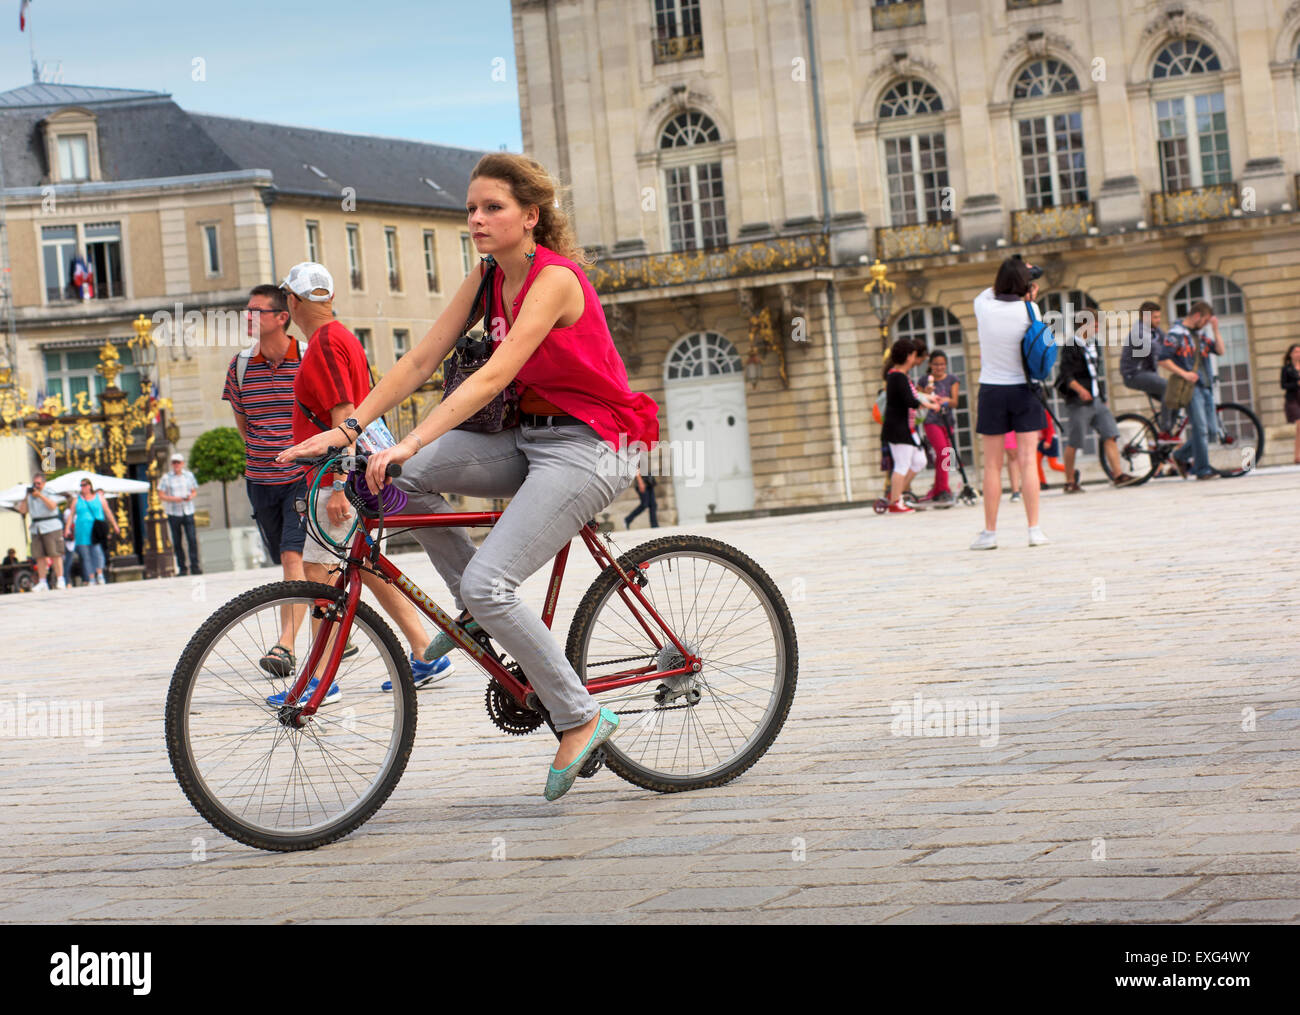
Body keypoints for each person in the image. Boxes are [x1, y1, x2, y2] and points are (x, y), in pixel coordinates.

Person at [279, 153, 656, 801]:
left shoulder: (555, 279)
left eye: (493, 208)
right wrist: (353, 431)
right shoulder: (487, 277)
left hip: (594, 444)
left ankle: (581, 713)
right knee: (404, 482)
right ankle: (480, 615)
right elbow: (422, 357)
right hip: (526, 437)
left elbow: (494, 373)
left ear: (530, 216)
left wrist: (411, 437)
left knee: (488, 578)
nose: (477, 219)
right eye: (471, 209)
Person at [271, 260, 453, 699]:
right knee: (366, 568)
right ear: (329, 297)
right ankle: (426, 651)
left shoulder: (326, 344)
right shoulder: (343, 337)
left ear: (293, 302)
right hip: (360, 472)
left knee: (320, 575)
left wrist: (338, 486)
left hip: (340, 476)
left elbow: (343, 416)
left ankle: (318, 681)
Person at [969, 257, 1049, 550]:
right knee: (1028, 461)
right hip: (1023, 389)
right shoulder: (1031, 310)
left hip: (991, 389)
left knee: (992, 465)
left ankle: (989, 533)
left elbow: (990, 291)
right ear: (1025, 285)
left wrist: (1014, 278)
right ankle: (1034, 530)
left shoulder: (983, 306)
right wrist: (1029, 296)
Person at [1056, 313, 1137, 490]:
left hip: (1097, 401)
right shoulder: (1071, 346)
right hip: (1079, 402)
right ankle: (1070, 481)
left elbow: (1094, 375)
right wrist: (1080, 390)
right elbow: (1065, 374)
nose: (1098, 328)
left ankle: (1118, 475)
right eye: (1095, 324)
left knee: (1110, 435)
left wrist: (1102, 397)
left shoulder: (1092, 345)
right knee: (1074, 442)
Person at [1160, 301, 1223, 481]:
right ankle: (1202, 470)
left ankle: (1180, 456)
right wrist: (1185, 374)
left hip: (1206, 385)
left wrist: (1215, 330)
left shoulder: (1200, 335)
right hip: (1190, 388)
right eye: (1204, 320)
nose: (1205, 324)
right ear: (1197, 316)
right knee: (1200, 428)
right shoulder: (1175, 334)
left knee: (1211, 430)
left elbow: (1220, 350)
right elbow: (1163, 359)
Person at [882, 339, 939, 513]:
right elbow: (910, 401)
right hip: (899, 429)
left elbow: (913, 395)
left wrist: (928, 398)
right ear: (908, 356)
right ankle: (895, 502)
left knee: (919, 461)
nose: (916, 359)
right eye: (914, 355)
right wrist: (931, 405)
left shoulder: (900, 376)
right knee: (902, 465)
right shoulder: (897, 376)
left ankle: (897, 495)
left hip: (907, 428)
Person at [1120, 301, 1171, 427]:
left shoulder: (1156, 331)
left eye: (1159, 317)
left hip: (1148, 374)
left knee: (1175, 400)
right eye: (1155, 317)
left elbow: (1170, 345)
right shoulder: (1139, 333)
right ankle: (1166, 431)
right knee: (1169, 389)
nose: (1159, 320)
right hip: (1134, 374)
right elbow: (1159, 353)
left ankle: (1167, 435)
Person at [14, 472, 65, 590]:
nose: (36, 486)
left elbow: (52, 506)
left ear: (43, 483)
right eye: (34, 483)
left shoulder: (49, 492)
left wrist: (40, 496)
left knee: (55, 554)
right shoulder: (30, 496)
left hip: (51, 526)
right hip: (37, 528)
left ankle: (60, 579)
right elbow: (22, 511)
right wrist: (26, 497)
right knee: (39, 556)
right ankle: (42, 582)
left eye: (38, 483)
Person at [66, 478, 119, 585]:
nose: (83, 487)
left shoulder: (99, 498)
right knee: (85, 556)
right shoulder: (77, 500)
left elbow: (108, 512)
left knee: (97, 552)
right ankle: (91, 577)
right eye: (81, 485)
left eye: (85, 485)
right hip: (81, 530)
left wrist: (115, 524)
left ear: (90, 486)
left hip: (95, 530)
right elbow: (71, 515)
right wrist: (67, 528)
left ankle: (99, 574)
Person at [922, 351, 958, 505]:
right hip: (931, 421)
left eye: (942, 364)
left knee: (946, 456)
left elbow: (955, 402)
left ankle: (938, 489)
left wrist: (947, 400)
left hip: (947, 420)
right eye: (935, 364)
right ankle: (943, 489)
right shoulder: (925, 380)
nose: (939, 367)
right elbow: (916, 397)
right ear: (930, 365)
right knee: (943, 452)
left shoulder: (952, 379)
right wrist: (925, 393)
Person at [158, 453, 203, 574]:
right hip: (173, 512)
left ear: (182, 463)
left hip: (188, 510)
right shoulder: (166, 478)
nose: (176, 465)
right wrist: (174, 499)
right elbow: (161, 495)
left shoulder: (189, 476)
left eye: (178, 462)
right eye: (174, 462)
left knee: (192, 539)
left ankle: (195, 565)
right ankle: (182, 567)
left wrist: (190, 497)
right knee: (177, 541)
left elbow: (194, 492)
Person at [1281, 343, 1300, 464]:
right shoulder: (1286, 369)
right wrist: (1296, 384)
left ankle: (1297, 456)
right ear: (1290, 354)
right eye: (1296, 351)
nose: (1298, 354)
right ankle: (1297, 455)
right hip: (1293, 399)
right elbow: (1283, 385)